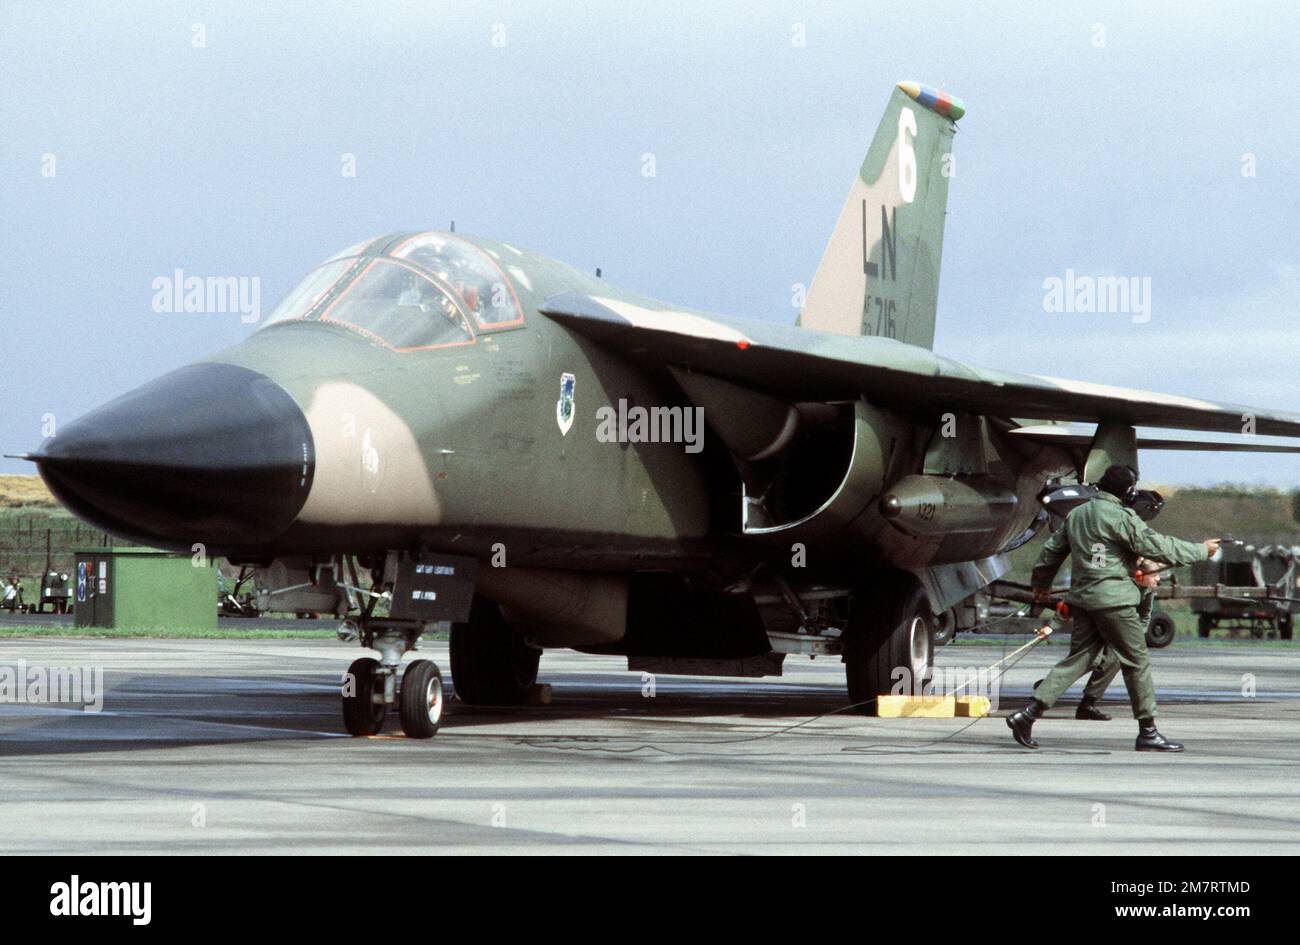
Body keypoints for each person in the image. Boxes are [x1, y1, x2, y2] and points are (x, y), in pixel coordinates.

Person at [1008, 465, 1219, 752]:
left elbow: (1052, 551)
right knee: (1136, 661)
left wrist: (1040, 585)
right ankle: (1148, 732)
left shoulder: (1077, 514)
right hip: (1114, 602)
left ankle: (1028, 714)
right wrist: (1200, 550)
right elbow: (1159, 547)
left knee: (1079, 659)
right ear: (1128, 492)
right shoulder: (1123, 518)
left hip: (1083, 600)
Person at [1033, 556, 1162, 721]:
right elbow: (1072, 600)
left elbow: (1144, 617)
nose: (1158, 579)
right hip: (1090, 622)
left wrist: (1135, 639)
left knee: (1114, 659)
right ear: (1138, 575)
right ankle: (1046, 691)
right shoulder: (1117, 585)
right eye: (1154, 575)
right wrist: (1052, 625)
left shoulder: (1148, 592)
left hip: (1117, 627)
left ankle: (1088, 704)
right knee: (1087, 660)